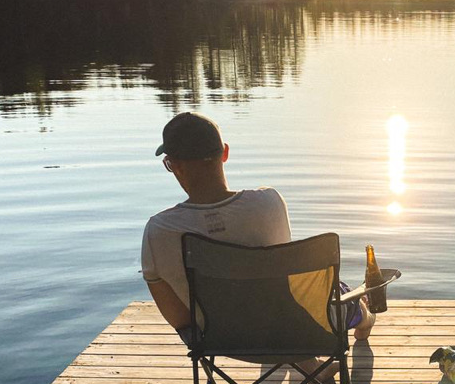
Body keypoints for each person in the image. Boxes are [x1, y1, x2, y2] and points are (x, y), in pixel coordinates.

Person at [140, 111, 374, 347]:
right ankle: (366, 318)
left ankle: (311, 364)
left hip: (218, 340)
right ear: (225, 153)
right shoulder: (268, 202)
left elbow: (180, 320)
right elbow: (287, 284)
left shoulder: (159, 231)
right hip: (294, 330)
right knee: (336, 293)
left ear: (174, 165)